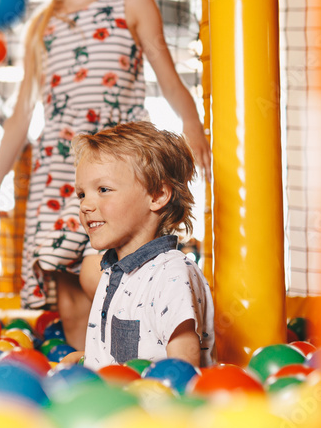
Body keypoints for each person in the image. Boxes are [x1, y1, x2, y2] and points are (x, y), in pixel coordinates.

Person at [0, 0, 211, 349]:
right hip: (57, 169)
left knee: (104, 271)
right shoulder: (43, 25)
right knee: (63, 280)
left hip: (117, 163)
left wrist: (192, 123)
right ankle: (87, 369)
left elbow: (167, 74)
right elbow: (21, 116)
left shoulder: (131, 4)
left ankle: (144, 360)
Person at [66, 121, 213, 367]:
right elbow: (132, 354)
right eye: (82, 194)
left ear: (157, 196)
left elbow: (182, 370)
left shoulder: (171, 274)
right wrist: (88, 361)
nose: (85, 205)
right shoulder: (115, 272)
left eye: (103, 189)